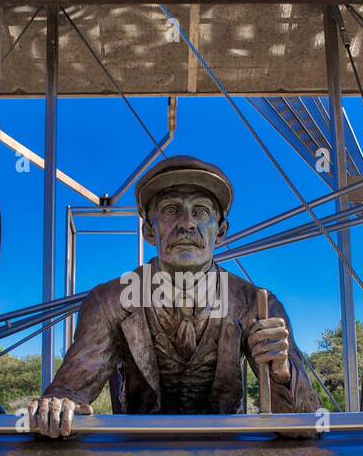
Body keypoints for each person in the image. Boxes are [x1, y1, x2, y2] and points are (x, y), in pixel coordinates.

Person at [27, 156, 319, 437]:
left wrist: (281, 372)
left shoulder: (257, 305)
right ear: (149, 231)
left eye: (201, 211)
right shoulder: (109, 302)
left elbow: (305, 424)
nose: (187, 223)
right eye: (170, 210)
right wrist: (58, 407)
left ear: (221, 232)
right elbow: (69, 394)